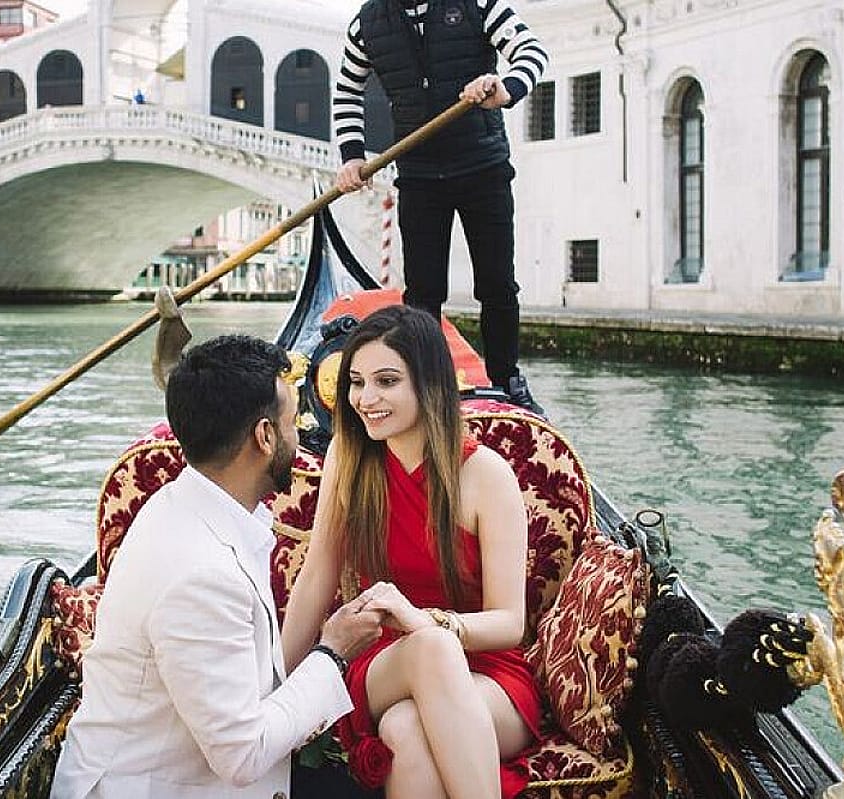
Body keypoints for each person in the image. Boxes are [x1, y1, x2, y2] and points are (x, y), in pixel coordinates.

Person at [51, 335, 384, 799]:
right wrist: (333, 651)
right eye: (293, 423)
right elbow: (241, 754)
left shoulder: (180, 506)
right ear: (264, 436)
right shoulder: (201, 574)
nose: (301, 436)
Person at [281, 305, 541, 799]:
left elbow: (509, 623)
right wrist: (277, 689)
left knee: (406, 729)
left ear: (430, 384)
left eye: (386, 381)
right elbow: (317, 576)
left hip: (490, 669)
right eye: (357, 382)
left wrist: (423, 619)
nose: (365, 399)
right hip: (384, 661)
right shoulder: (349, 456)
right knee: (428, 649)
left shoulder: (487, 476)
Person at [332, 0, 550, 415]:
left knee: (497, 285)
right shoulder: (367, 22)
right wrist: (351, 156)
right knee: (424, 294)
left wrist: (503, 88)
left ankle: (507, 382)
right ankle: (429, 389)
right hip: (418, 173)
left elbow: (531, 51)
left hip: (483, 167)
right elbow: (347, 89)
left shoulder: (477, 3)